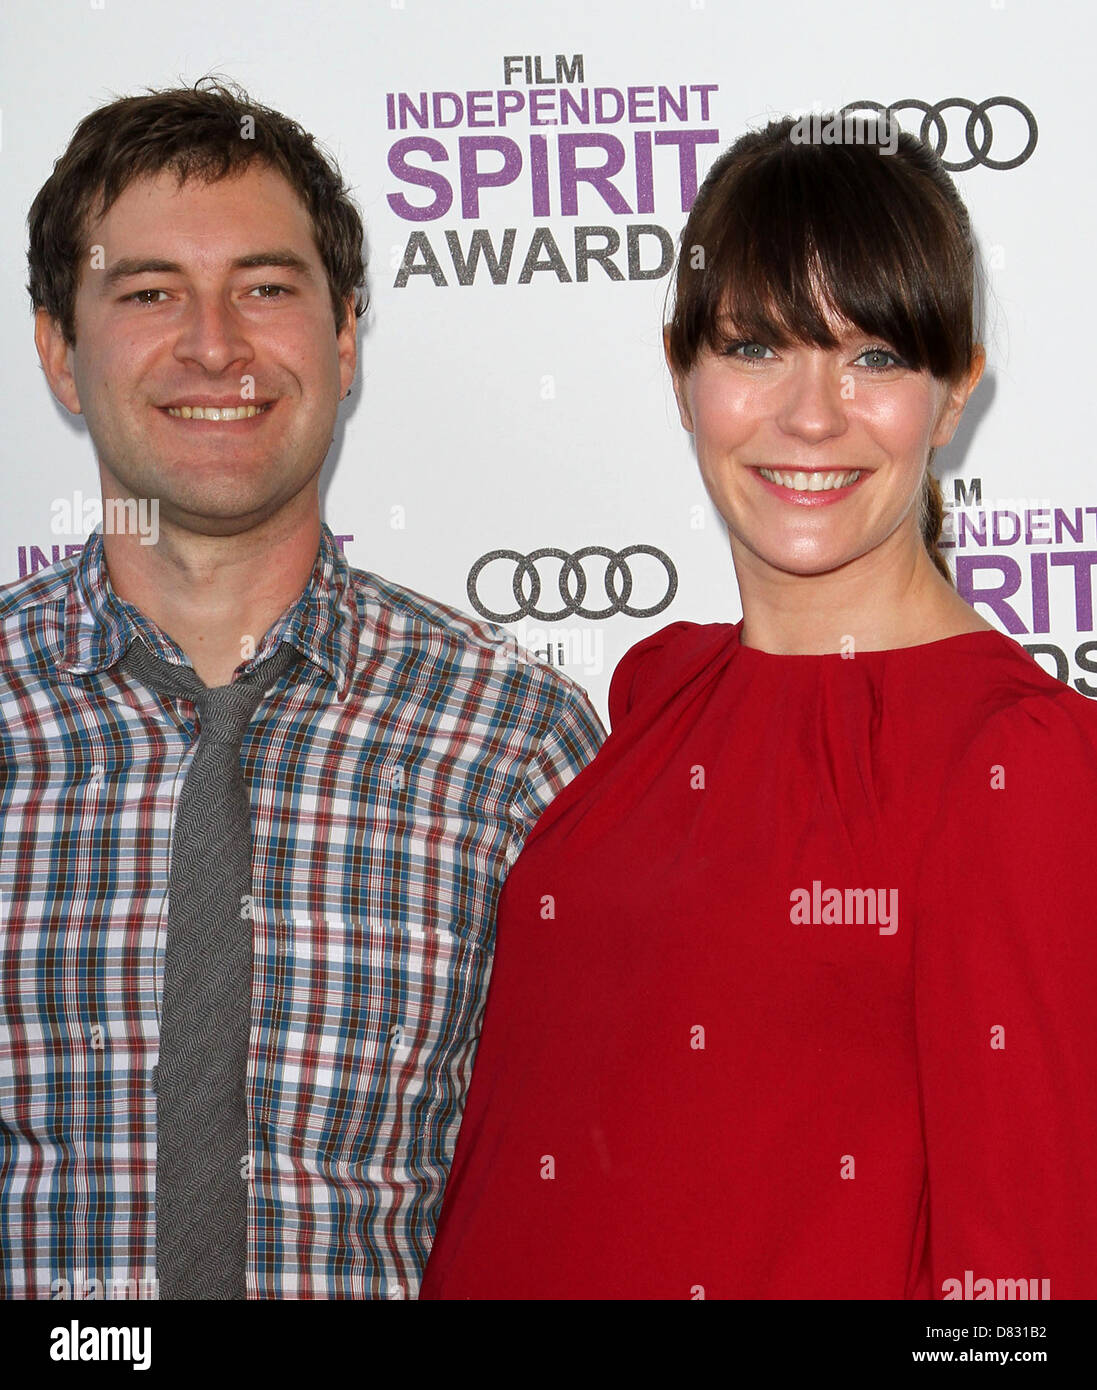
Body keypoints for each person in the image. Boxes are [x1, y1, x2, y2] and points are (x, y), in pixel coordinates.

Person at [420, 114, 1097, 1300]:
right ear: (679, 370)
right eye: (753, 346)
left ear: (953, 396)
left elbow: (1027, 1272)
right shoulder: (657, 687)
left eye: (875, 355)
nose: (812, 413)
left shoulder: (1019, 759)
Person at [1, 78, 604, 1301]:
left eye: (266, 288)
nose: (214, 343)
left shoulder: (517, 739)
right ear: (60, 352)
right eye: (150, 291)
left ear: (343, 339)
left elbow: (588, 1180)